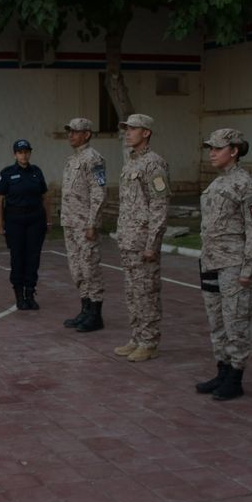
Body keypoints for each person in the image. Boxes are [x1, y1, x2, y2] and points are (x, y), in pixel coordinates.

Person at [195, 129, 252, 401]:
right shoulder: (217, 182)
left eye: (218, 148)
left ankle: (235, 376)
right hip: (211, 261)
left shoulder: (247, 184)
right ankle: (222, 370)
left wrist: (247, 269)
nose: (212, 153)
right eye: (210, 148)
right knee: (216, 321)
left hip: (234, 265)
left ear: (234, 151)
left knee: (235, 321)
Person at [113, 114, 170, 362]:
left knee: (147, 292)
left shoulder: (154, 164)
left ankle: (149, 342)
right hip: (129, 239)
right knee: (132, 292)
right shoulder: (130, 162)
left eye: (133, 129)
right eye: (126, 129)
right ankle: (136, 337)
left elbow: (159, 206)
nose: (127, 132)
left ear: (146, 132)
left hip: (144, 241)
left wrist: (152, 244)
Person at [60, 118, 107, 331]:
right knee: (77, 269)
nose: (70, 135)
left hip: (85, 224)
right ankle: (85, 309)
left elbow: (99, 192)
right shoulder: (72, 159)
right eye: (69, 132)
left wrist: (92, 223)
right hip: (70, 223)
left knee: (90, 268)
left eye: (75, 131)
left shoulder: (94, 159)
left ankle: (96, 315)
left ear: (87, 134)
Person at [0, 139, 50, 309]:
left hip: (35, 220)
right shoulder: (7, 173)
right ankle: (19, 295)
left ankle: (30, 293)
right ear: (15, 155)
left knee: (33, 257)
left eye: (26, 152)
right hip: (15, 221)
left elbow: (45, 197)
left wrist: (48, 220)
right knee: (17, 257)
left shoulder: (36, 172)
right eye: (20, 152)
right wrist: (0, 223)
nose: (24, 155)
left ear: (30, 153)